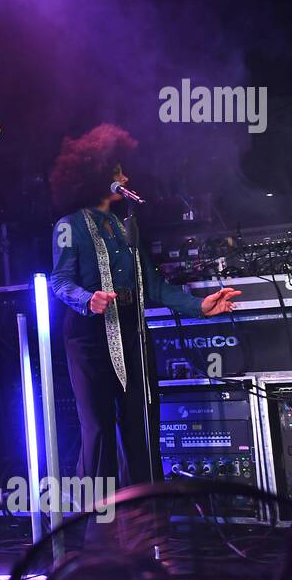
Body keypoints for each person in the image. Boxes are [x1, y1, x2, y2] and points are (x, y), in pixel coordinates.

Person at [49, 125, 239, 487]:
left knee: (141, 422)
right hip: (90, 337)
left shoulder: (126, 228)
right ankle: (96, 528)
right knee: (100, 428)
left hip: (132, 332)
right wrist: (88, 299)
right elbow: (59, 281)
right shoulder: (68, 226)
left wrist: (201, 306)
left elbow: (153, 286)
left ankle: (145, 523)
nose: (126, 177)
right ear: (97, 176)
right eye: (118, 171)